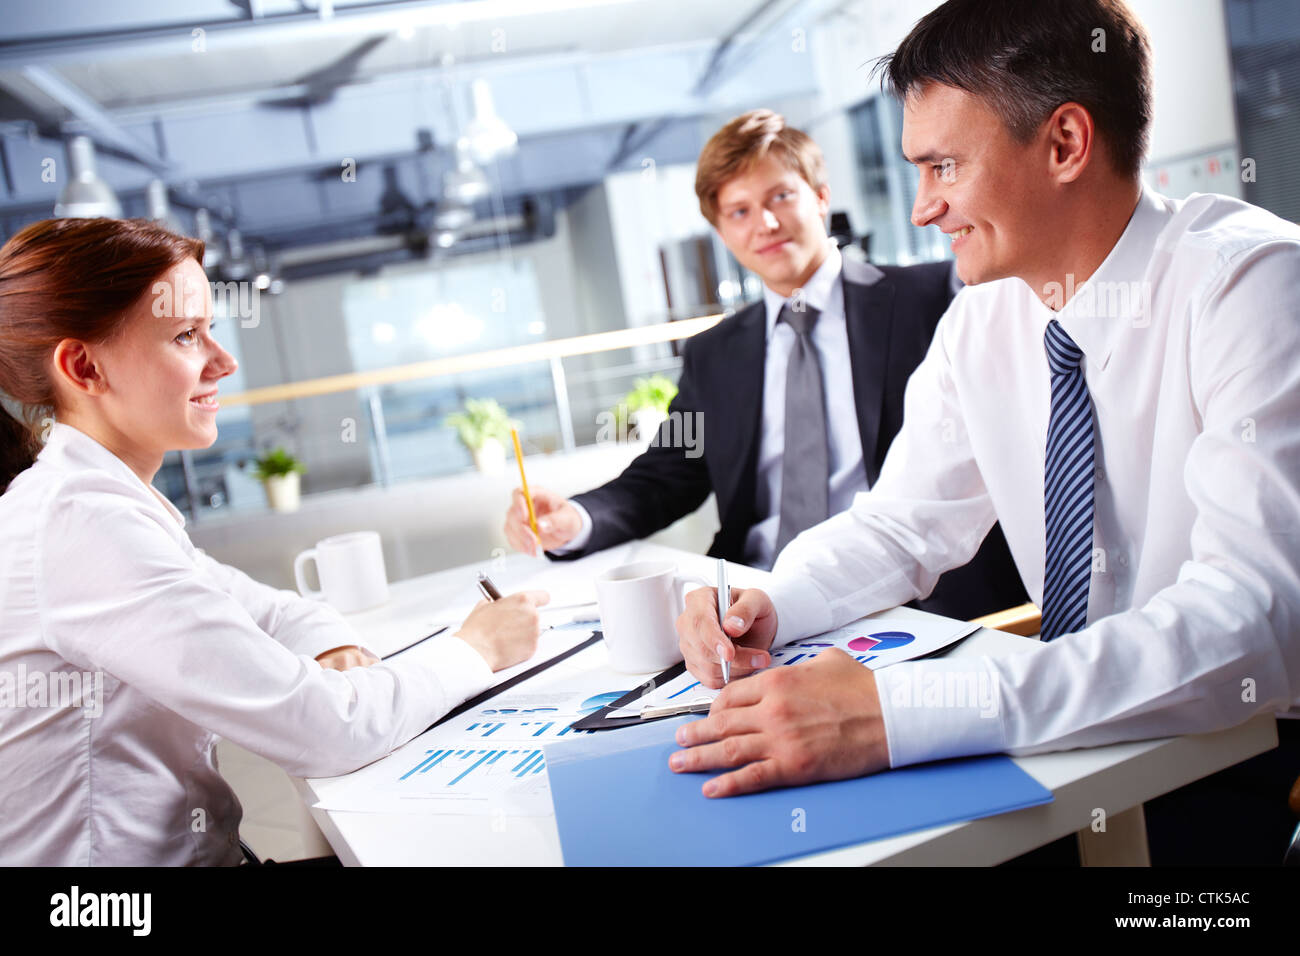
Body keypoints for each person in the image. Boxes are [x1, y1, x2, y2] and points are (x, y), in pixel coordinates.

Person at [670, 0, 1300, 818]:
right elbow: (902, 525)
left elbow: (1256, 622)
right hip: (1070, 730)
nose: (921, 209)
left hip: (1234, 750)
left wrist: (905, 711)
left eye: (943, 168)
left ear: (1064, 144)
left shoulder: (1252, 287)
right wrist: (772, 602)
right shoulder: (984, 319)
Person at [0, 217, 547, 865]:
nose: (224, 362)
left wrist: (334, 644)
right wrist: (477, 647)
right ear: (83, 366)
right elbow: (328, 731)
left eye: (211, 330)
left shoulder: (101, 502)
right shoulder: (82, 526)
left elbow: (274, 609)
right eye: (185, 336)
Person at [503, 109, 1026, 622]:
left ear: (820, 198)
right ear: (721, 231)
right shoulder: (715, 354)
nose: (766, 224)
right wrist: (577, 518)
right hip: (753, 597)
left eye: (781, 196)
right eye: (739, 212)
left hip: (913, 598)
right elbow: (666, 475)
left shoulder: (937, 300)